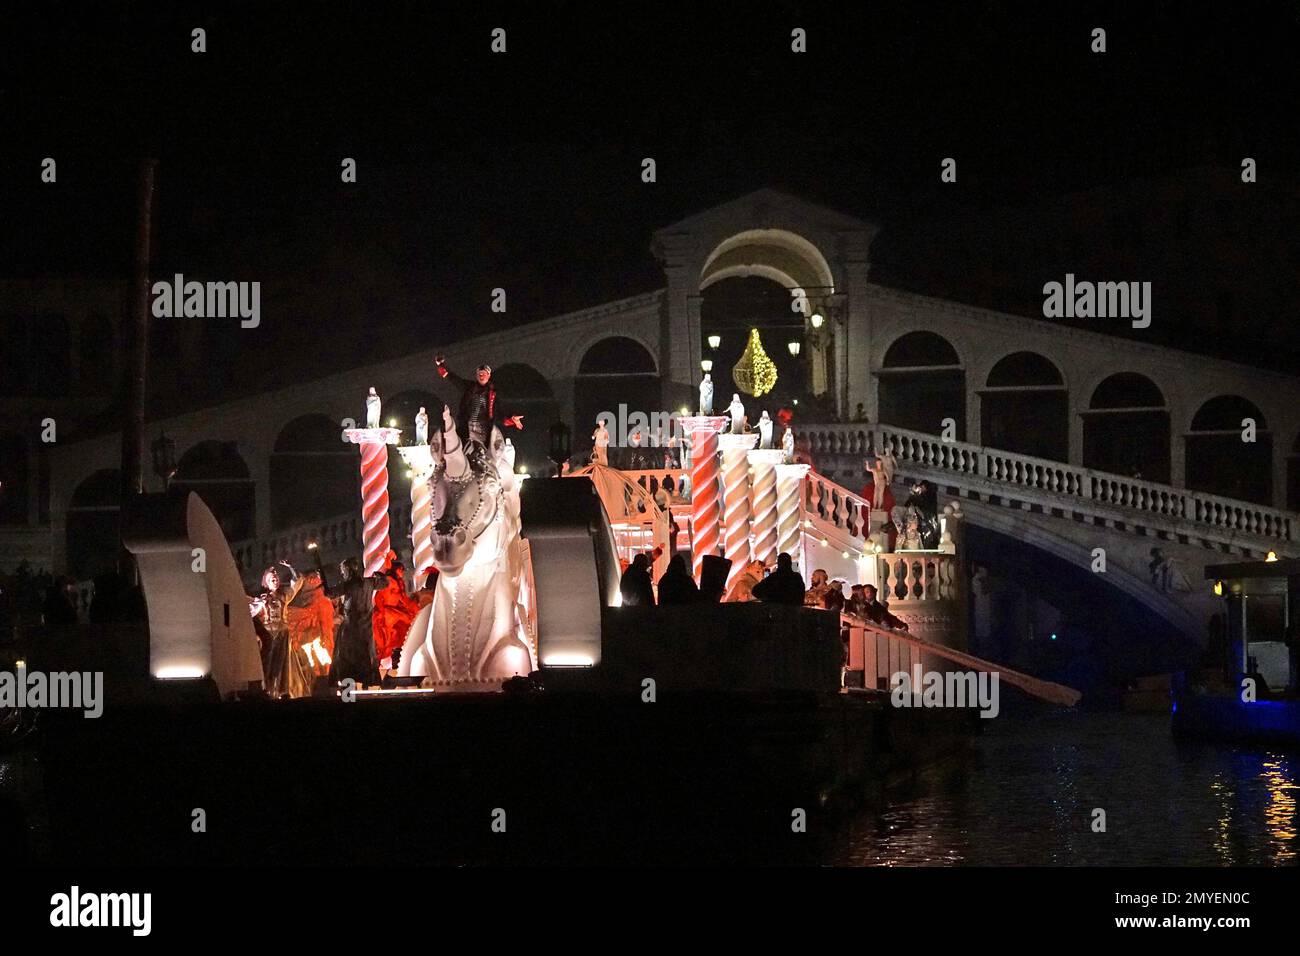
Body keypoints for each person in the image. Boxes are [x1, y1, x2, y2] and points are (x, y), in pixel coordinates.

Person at [321, 555, 389, 687]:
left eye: (343, 571)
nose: (342, 574)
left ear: (348, 570)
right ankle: (366, 688)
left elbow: (329, 593)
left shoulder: (348, 584)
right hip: (365, 628)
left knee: (346, 658)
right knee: (366, 655)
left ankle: (348, 694)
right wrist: (380, 575)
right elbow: (385, 583)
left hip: (351, 628)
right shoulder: (369, 582)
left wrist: (322, 577)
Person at [434, 354, 523, 450]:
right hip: (467, 427)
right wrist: (441, 365)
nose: (481, 375)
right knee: (456, 448)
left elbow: (499, 413)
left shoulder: (493, 394)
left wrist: (511, 419)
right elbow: (453, 378)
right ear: (476, 376)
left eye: (484, 373)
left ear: (489, 375)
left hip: (484, 429)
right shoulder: (469, 387)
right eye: (479, 374)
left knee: (487, 452)